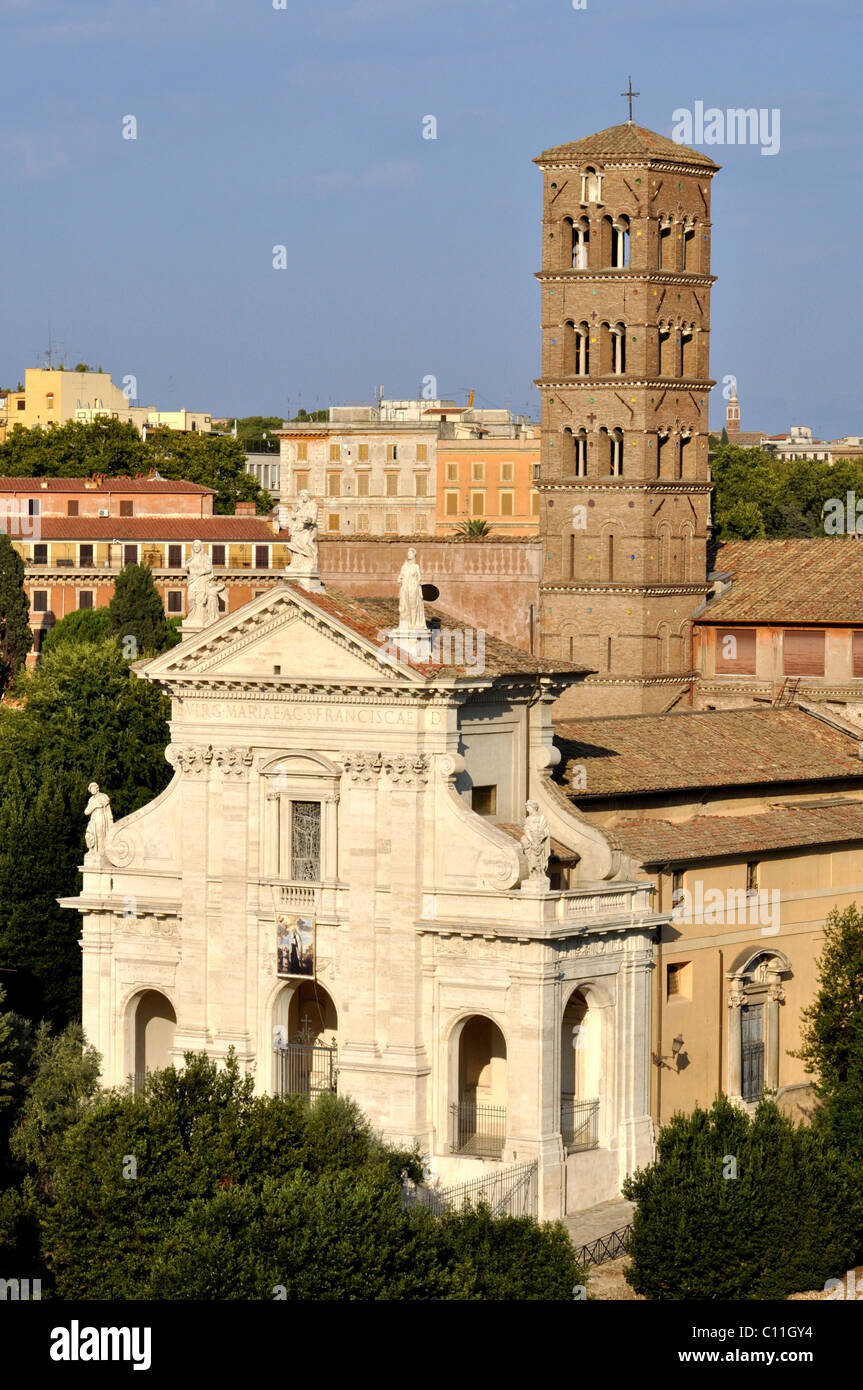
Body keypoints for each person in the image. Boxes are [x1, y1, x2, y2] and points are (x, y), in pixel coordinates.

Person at [186, 540, 226, 624]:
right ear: (193, 548)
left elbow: (209, 569)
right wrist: (188, 567)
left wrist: (200, 572)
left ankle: (199, 616)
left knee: (200, 598)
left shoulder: (205, 557)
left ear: (201, 547)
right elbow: (186, 569)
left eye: (198, 546)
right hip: (192, 580)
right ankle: (192, 614)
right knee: (191, 597)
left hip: (202, 579)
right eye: (195, 547)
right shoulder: (190, 558)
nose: (196, 548)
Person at [398, 547, 426, 631]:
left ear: (414, 555)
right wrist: (399, 579)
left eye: (410, 553)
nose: (408, 554)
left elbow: (419, 578)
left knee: (413, 605)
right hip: (405, 588)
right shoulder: (404, 567)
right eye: (408, 553)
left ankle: (413, 624)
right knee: (404, 606)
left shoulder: (416, 567)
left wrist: (418, 588)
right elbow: (400, 576)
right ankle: (405, 623)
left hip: (413, 587)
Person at [84, 783, 113, 858]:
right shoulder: (91, 799)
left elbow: (105, 804)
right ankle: (92, 850)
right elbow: (86, 812)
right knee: (89, 835)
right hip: (93, 819)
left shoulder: (103, 796)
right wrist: (95, 805)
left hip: (100, 817)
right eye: (91, 789)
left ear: (97, 788)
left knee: (100, 834)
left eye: (93, 788)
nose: (92, 790)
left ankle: (101, 851)